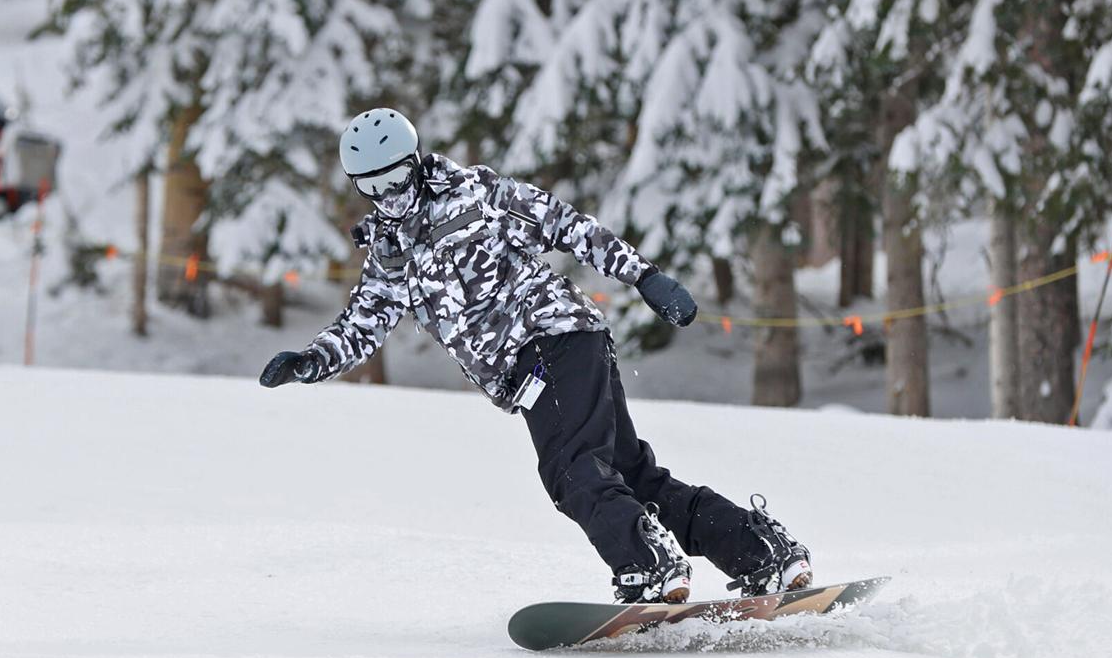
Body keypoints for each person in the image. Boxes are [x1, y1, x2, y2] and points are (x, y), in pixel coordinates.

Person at [259, 108, 812, 603]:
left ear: (417, 162)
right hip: (535, 363)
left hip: (551, 339)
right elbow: (362, 324)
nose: (389, 194)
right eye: (373, 186)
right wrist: (311, 361)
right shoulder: (390, 255)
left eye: (397, 177)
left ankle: (647, 566)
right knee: (629, 476)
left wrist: (645, 277)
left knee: (573, 471)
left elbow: (567, 225)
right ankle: (760, 551)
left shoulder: (477, 194)